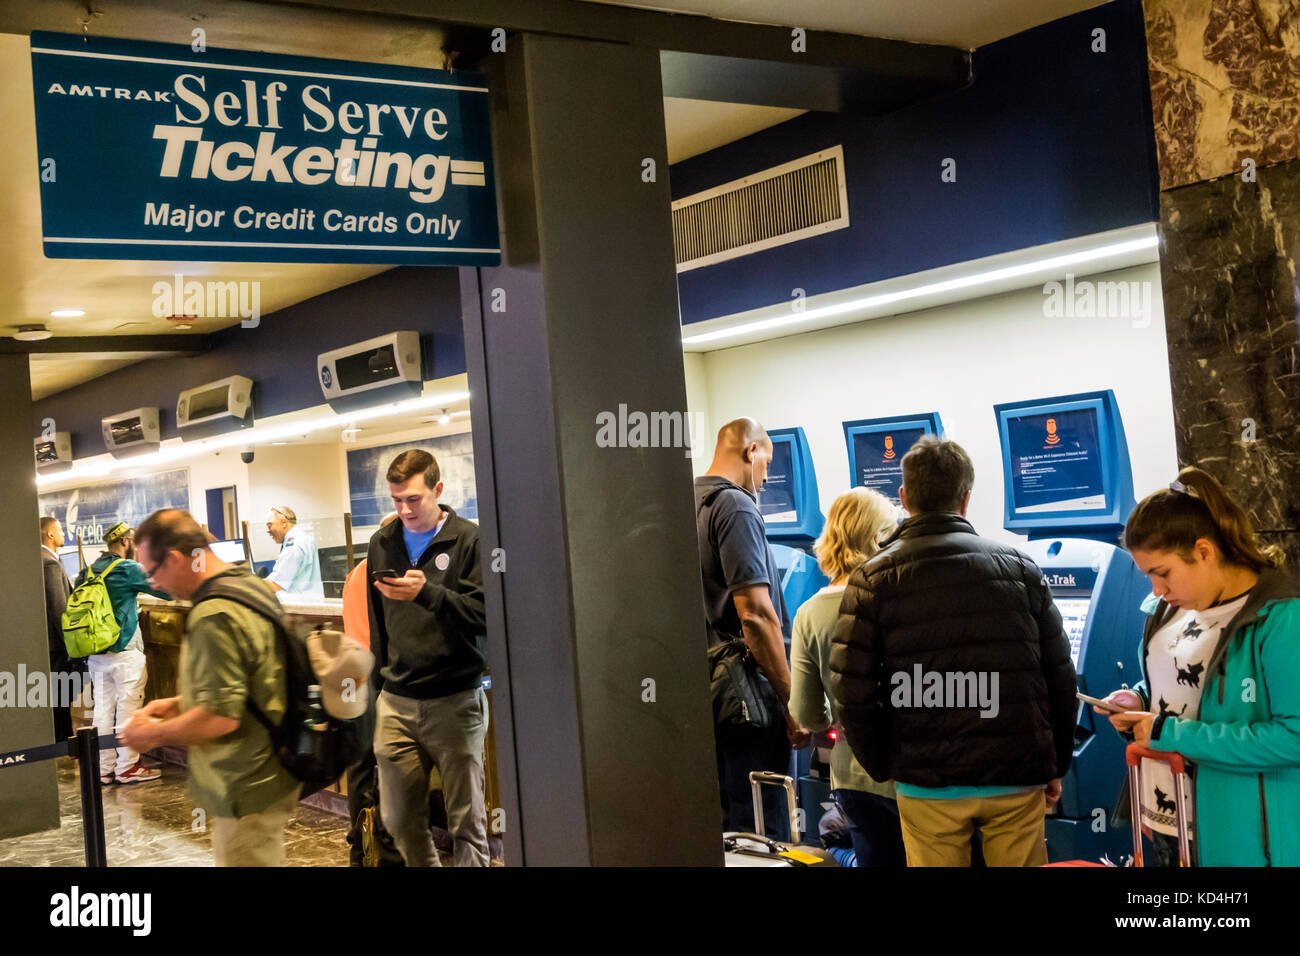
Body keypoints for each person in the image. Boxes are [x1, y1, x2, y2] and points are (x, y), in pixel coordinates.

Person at [830, 436, 1077, 867]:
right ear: (966, 498)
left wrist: (884, 765)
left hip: (926, 783)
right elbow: (1059, 675)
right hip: (1015, 776)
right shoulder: (1021, 569)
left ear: (904, 498)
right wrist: (1054, 762)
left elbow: (850, 690)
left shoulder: (873, 578)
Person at [1102, 467, 1300, 866]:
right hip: (1164, 818)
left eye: (1162, 573)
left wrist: (1169, 733)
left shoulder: (1280, 618)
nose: (1157, 589)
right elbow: (1180, 688)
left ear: (1204, 552)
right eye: (1148, 576)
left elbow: (1293, 737)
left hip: (1240, 835)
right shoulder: (1166, 609)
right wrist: (1137, 699)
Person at [120, 509, 300, 867]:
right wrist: (179, 704)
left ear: (175, 559)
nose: (152, 584)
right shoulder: (247, 585)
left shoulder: (213, 613)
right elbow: (245, 684)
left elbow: (220, 717)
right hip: (268, 773)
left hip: (243, 785)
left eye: (153, 572)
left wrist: (152, 735)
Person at [368, 450, 490, 867]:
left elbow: (485, 615)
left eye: (413, 499)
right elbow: (379, 624)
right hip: (396, 701)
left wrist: (428, 593)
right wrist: (378, 687)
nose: (404, 510)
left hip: (455, 701)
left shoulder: (470, 540)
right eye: (396, 500)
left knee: (467, 823)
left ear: (437, 490)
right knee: (399, 820)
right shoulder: (382, 543)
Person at [695, 418, 809, 839]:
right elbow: (757, 614)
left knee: (725, 832)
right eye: (767, 463)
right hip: (748, 706)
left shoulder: (688, 501)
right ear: (751, 451)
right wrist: (793, 702)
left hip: (707, 699)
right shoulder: (736, 506)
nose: (765, 476)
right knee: (762, 831)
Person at [791, 487, 905, 866]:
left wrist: (831, 717)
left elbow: (806, 713)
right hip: (912, 775)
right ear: (879, 539)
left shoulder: (809, 612)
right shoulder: (899, 599)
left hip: (853, 777)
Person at [77, 521, 170, 785]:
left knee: (102, 710)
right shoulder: (126, 568)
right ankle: (127, 767)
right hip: (125, 650)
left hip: (96, 653)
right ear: (125, 541)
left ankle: (104, 768)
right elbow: (166, 590)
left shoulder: (88, 570)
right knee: (128, 708)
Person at [342, 511, 404, 867]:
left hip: (354, 685)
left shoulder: (355, 572)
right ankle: (388, 853)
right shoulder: (387, 575)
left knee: (361, 773)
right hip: (380, 685)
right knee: (389, 775)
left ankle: (362, 851)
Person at [40, 516, 83, 743]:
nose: (63, 534)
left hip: (46, 643)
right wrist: (72, 645)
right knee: (61, 698)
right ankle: (63, 743)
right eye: (60, 530)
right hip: (58, 645)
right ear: (50, 534)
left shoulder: (38, 559)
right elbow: (59, 610)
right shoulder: (50, 563)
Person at [264, 505, 324, 598]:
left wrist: (248, 583)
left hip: (298, 602)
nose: (268, 531)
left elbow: (277, 584)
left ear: (284, 523)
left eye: (269, 526)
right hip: (308, 599)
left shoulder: (294, 545)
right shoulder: (303, 537)